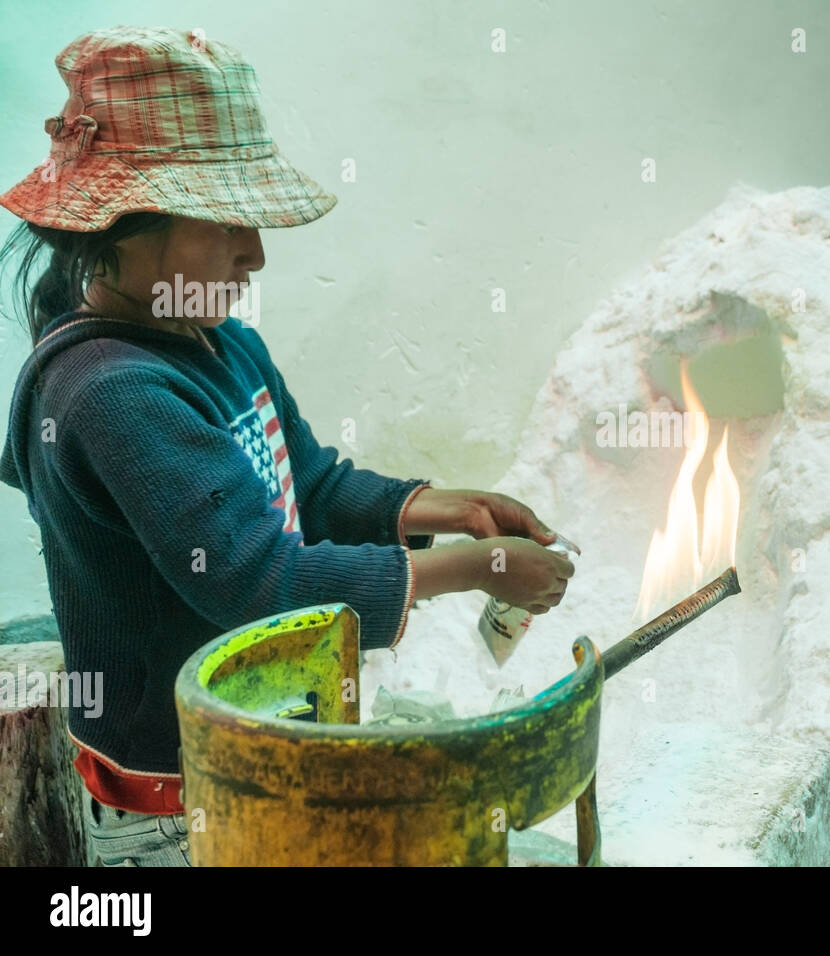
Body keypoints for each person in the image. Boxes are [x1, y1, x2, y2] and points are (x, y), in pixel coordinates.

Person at [0, 26, 573, 866]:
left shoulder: (217, 341)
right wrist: (476, 572)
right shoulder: (111, 394)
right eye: (230, 221)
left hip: (258, 751)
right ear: (124, 227)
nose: (257, 253)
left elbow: (310, 482)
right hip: (177, 800)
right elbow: (261, 586)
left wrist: (441, 508)